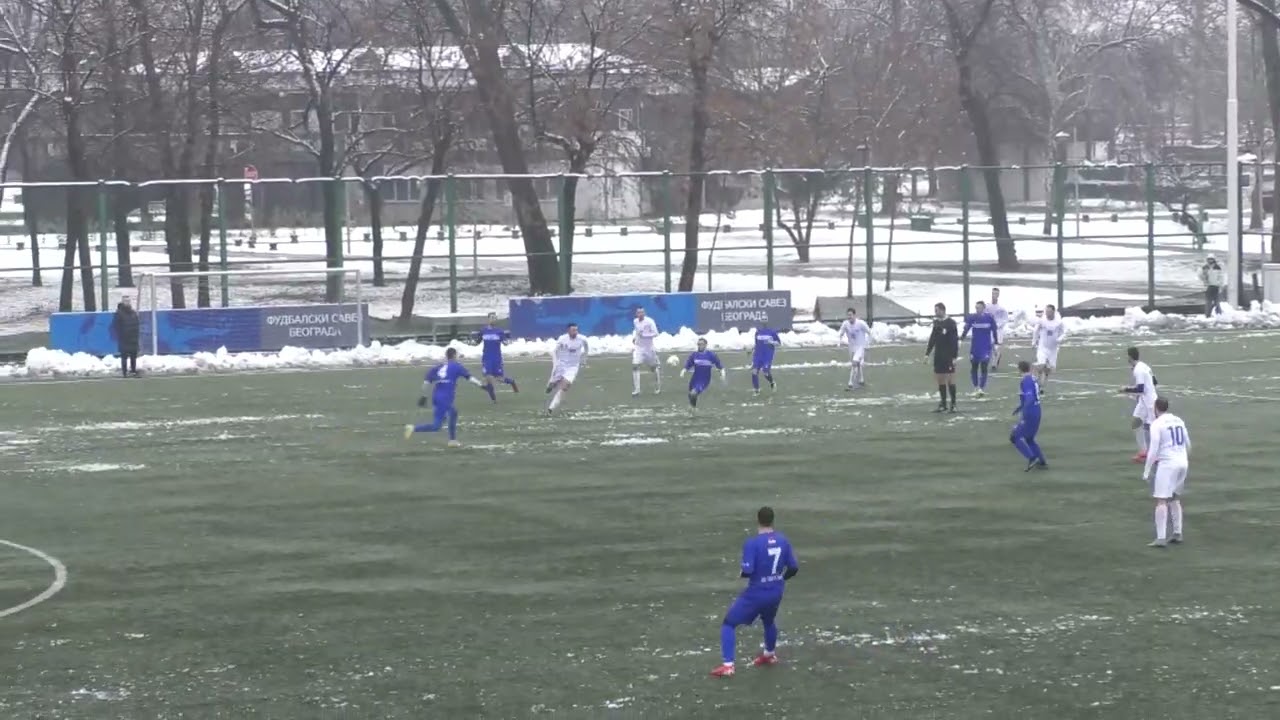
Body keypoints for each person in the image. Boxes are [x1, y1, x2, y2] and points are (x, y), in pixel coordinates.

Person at [711, 506, 799, 678]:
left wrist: (741, 573)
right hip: (776, 590)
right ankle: (769, 654)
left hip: (757, 592)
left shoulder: (752, 543)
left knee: (729, 623)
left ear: (757, 520)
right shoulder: (783, 540)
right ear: (773, 520)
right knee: (769, 620)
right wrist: (780, 579)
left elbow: (748, 570)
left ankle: (728, 665)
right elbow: (794, 567)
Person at [403, 347, 495, 447]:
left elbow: (426, 382)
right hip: (445, 398)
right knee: (436, 426)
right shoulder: (456, 366)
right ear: (454, 355)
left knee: (453, 413)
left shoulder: (438, 367)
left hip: (437, 397)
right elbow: (470, 378)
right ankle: (413, 428)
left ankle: (452, 440)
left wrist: (424, 396)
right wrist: (482, 386)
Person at [1141, 397, 1188, 547]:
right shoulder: (1179, 420)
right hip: (1182, 462)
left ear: (1156, 408)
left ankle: (1160, 537)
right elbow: (1187, 442)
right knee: (1174, 498)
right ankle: (1177, 532)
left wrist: (1147, 470)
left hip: (1168, 464)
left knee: (1161, 500)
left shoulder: (1157, 424)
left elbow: (1153, 449)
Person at [1123, 346, 1159, 463]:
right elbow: (1155, 382)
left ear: (1129, 356)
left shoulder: (1138, 369)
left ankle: (1156, 454)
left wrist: (1126, 390)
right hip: (1144, 402)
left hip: (1150, 403)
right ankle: (1144, 452)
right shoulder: (1144, 366)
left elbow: (1140, 389)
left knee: (1151, 429)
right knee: (1135, 424)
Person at [1010, 360, 1047, 471]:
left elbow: (1030, 398)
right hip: (1037, 410)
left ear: (1019, 369)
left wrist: (1024, 411)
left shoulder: (1026, 381)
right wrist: (1019, 408)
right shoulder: (1032, 379)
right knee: (1029, 438)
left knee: (1014, 437)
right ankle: (1041, 461)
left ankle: (1032, 458)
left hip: (1030, 412)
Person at [547, 323, 589, 414]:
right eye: (573, 330)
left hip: (573, 367)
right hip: (561, 365)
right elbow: (554, 351)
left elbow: (586, 348)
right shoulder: (562, 339)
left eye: (576, 330)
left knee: (565, 386)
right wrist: (555, 362)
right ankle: (551, 384)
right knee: (553, 384)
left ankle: (551, 407)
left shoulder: (582, 339)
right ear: (568, 331)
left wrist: (584, 359)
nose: (575, 332)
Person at [925, 302, 959, 412]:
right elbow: (932, 338)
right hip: (938, 354)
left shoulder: (951, 323)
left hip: (948, 355)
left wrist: (954, 356)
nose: (935, 313)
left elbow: (954, 341)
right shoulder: (936, 323)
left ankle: (953, 404)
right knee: (940, 379)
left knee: (950, 379)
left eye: (937, 310)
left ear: (942, 310)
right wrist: (927, 353)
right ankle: (943, 403)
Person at [960, 300, 999, 396]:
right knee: (974, 367)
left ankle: (981, 388)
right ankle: (975, 386)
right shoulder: (972, 318)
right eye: (976, 308)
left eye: (978, 308)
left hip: (986, 346)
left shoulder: (989, 318)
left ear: (983, 308)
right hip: (975, 347)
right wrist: (961, 338)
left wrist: (996, 342)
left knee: (984, 367)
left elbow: (994, 330)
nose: (977, 309)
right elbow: (966, 328)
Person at [475, 312, 519, 394]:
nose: (493, 319)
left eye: (495, 318)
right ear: (488, 319)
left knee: (499, 379)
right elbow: (477, 341)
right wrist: (475, 342)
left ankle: (512, 382)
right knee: (487, 376)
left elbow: (505, 342)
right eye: (492, 317)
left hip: (496, 358)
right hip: (487, 357)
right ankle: (493, 399)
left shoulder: (499, 331)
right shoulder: (483, 331)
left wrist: (507, 342)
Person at [681, 337, 726, 414]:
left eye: (701, 344)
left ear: (705, 345)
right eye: (698, 344)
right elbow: (688, 364)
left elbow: (720, 366)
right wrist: (683, 371)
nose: (699, 346)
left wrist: (723, 374)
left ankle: (693, 409)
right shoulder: (694, 355)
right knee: (691, 394)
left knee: (693, 393)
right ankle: (692, 408)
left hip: (704, 380)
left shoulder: (711, 355)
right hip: (694, 379)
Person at [1032, 304, 1064, 394]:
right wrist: (1034, 342)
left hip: (1053, 348)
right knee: (1041, 365)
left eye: (1049, 311)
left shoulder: (1058, 322)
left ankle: (1042, 386)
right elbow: (1036, 330)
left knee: (1049, 369)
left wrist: (1060, 339)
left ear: (1053, 312)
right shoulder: (1042, 320)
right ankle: (1035, 379)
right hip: (1043, 346)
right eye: (1046, 311)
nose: (1047, 313)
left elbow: (1064, 332)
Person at [837, 308, 871, 390]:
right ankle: (861, 380)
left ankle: (850, 382)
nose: (849, 317)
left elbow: (869, 332)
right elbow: (841, 332)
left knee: (854, 363)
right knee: (857, 363)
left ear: (854, 315)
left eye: (851, 315)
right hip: (851, 347)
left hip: (860, 347)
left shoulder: (860, 323)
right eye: (848, 315)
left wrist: (867, 344)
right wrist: (840, 340)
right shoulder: (845, 324)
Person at [631, 307, 661, 396]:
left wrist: (645, 335)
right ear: (636, 314)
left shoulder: (650, 321)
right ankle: (637, 389)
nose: (640, 314)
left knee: (653, 368)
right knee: (635, 366)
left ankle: (657, 386)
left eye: (642, 312)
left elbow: (656, 333)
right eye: (638, 312)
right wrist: (635, 338)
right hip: (639, 348)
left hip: (649, 348)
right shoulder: (635, 321)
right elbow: (637, 331)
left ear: (644, 313)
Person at [111, 295, 140, 378]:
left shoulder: (133, 313)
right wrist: (121, 335)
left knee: (133, 356)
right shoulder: (119, 313)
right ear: (123, 302)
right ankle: (124, 372)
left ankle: (133, 371)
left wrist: (136, 335)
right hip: (124, 338)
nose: (127, 302)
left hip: (133, 338)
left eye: (128, 301)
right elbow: (116, 325)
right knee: (124, 356)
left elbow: (136, 324)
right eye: (125, 301)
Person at [750, 325, 781, 395]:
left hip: (767, 355)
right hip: (758, 355)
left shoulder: (772, 332)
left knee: (766, 372)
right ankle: (756, 390)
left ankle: (772, 382)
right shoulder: (757, 332)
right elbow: (756, 344)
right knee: (754, 372)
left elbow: (779, 343)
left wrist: (772, 342)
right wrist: (752, 350)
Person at [987, 288, 1010, 370]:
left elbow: (1006, 319)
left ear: (998, 295)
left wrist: (999, 325)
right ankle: (996, 356)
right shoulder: (987, 306)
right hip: (989, 329)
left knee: (996, 346)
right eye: (993, 293)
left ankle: (994, 364)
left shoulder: (1001, 308)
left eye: (996, 294)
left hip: (998, 330)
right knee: (990, 346)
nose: (994, 295)